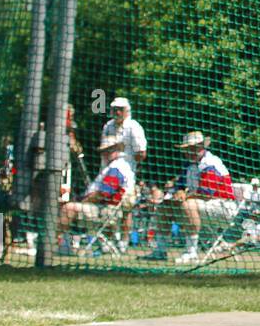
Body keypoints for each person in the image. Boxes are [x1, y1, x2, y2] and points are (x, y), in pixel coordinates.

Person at [141, 131, 235, 264]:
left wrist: (184, 195)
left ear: (201, 147)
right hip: (201, 207)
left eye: (190, 148)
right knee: (164, 206)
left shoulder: (210, 163)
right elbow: (180, 186)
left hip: (223, 208)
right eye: (186, 149)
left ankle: (191, 252)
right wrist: (174, 194)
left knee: (188, 204)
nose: (187, 152)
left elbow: (206, 192)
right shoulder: (188, 165)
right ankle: (160, 251)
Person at [57, 134, 134, 254]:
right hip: (104, 209)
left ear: (117, 150)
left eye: (109, 150)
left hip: (106, 212)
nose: (105, 154)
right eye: (103, 151)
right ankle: (65, 245)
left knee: (68, 208)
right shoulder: (114, 166)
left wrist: (83, 201)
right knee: (64, 205)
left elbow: (103, 194)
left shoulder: (117, 167)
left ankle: (57, 243)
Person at [101, 97, 147, 252]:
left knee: (126, 207)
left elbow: (141, 153)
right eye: (115, 109)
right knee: (107, 204)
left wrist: (126, 160)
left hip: (127, 172)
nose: (117, 112)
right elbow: (102, 148)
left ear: (127, 111)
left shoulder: (134, 127)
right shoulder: (108, 126)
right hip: (108, 170)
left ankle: (124, 242)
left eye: (120, 109)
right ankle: (109, 241)